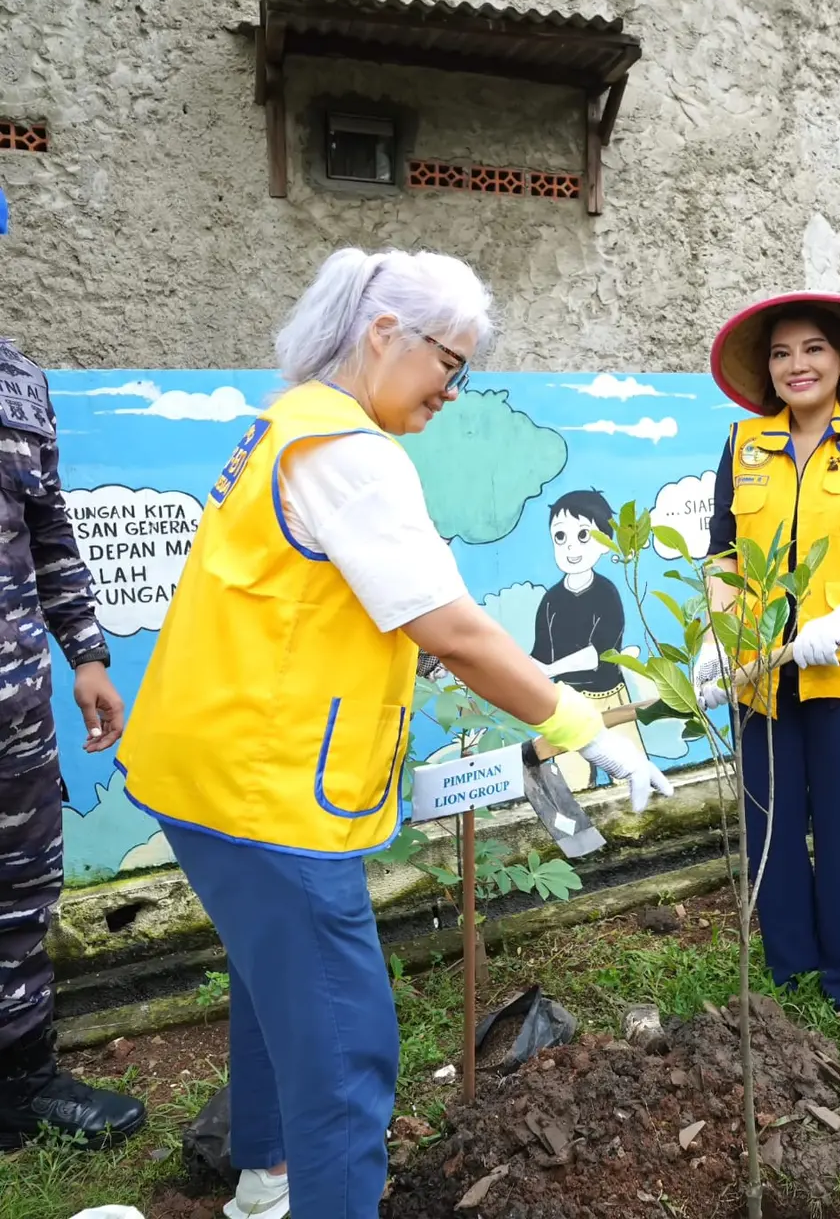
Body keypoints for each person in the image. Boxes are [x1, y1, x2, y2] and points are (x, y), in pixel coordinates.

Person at [114, 248, 673, 1219]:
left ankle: (266, 1181)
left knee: (269, 981)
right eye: (450, 363)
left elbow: (305, 598)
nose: (454, 390)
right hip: (268, 790)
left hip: (199, 767)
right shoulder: (352, 453)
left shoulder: (286, 421)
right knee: (343, 1041)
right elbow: (452, 627)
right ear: (384, 336)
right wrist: (582, 719)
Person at [694, 292, 840, 1015]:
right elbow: (724, 553)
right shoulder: (744, 446)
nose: (798, 364)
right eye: (781, 352)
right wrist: (717, 637)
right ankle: (790, 967)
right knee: (770, 824)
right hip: (759, 675)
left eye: (814, 348)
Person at [0, 189, 145, 1150]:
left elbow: (50, 529)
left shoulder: (19, 381)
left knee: (19, 896)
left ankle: (20, 1087)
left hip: (14, 717)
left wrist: (87, 652)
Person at [530, 488, 649, 791]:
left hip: (610, 697)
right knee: (574, 782)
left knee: (631, 774)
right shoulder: (550, 601)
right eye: (560, 537)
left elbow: (598, 654)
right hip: (568, 702)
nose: (571, 546)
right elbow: (540, 655)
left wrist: (549, 670)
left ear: (605, 542)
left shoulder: (606, 593)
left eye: (583, 535)